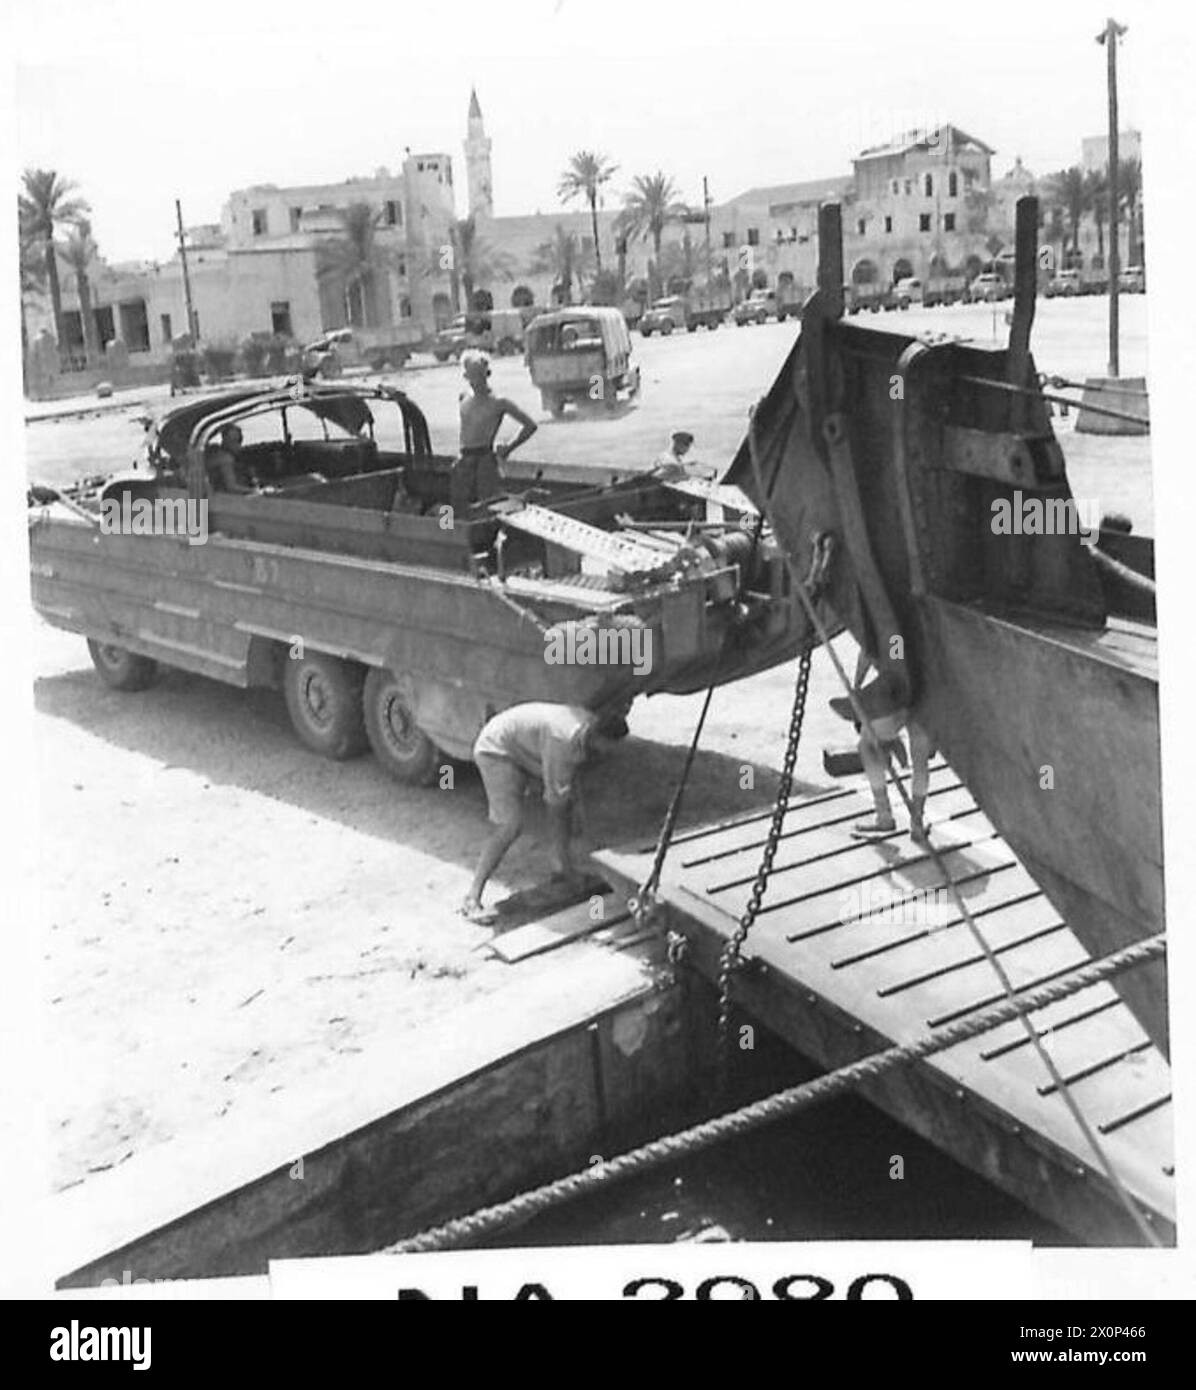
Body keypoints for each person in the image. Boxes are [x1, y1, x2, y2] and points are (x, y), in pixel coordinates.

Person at [460, 702, 622, 924]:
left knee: (568, 805)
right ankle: (472, 898)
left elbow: (569, 789)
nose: (609, 753)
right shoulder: (563, 740)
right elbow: (555, 804)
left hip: (523, 747)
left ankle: (561, 869)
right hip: (496, 749)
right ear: (598, 738)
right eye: (609, 747)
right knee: (510, 826)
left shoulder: (587, 728)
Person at [830, 650, 935, 844]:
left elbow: (877, 653)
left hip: (898, 695)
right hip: (927, 690)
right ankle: (917, 822)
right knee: (920, 759)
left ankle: (884, 816)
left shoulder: (894, 632)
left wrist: (857, 688)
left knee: (868, 746)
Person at [452, 350, 537, 516]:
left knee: (489, 506)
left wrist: (509, 447)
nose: (476, 380)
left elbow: (530, 425)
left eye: (479, 374)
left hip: (485, 461)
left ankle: (490, 539)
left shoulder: (499, 402)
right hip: (464, 461)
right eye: (472, 374)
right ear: (465, 376)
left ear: (487, 374)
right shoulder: (464, 397)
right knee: (457, 505)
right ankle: (449, 535)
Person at [204, 424, 253, 494]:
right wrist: (254, 491)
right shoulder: (225, 458)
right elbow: (232, 487)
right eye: (232, 441)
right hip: (224, 498)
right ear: (224, 439)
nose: (237, 445)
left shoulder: (219, 454)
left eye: (238, 441)